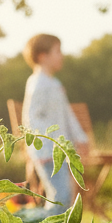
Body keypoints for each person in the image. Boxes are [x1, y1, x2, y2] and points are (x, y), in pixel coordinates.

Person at [21, 34, 89, 208]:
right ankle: (39, 222)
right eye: (57, 51)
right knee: (60, 197)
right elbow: (32, 118)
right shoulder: (37, 83)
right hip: (47, 152)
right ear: (42, 56)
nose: (62, 55)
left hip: (59, 152)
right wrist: (46, 145)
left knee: (65, 196)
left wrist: (81, 138)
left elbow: (67, 115)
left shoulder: (54, 83)